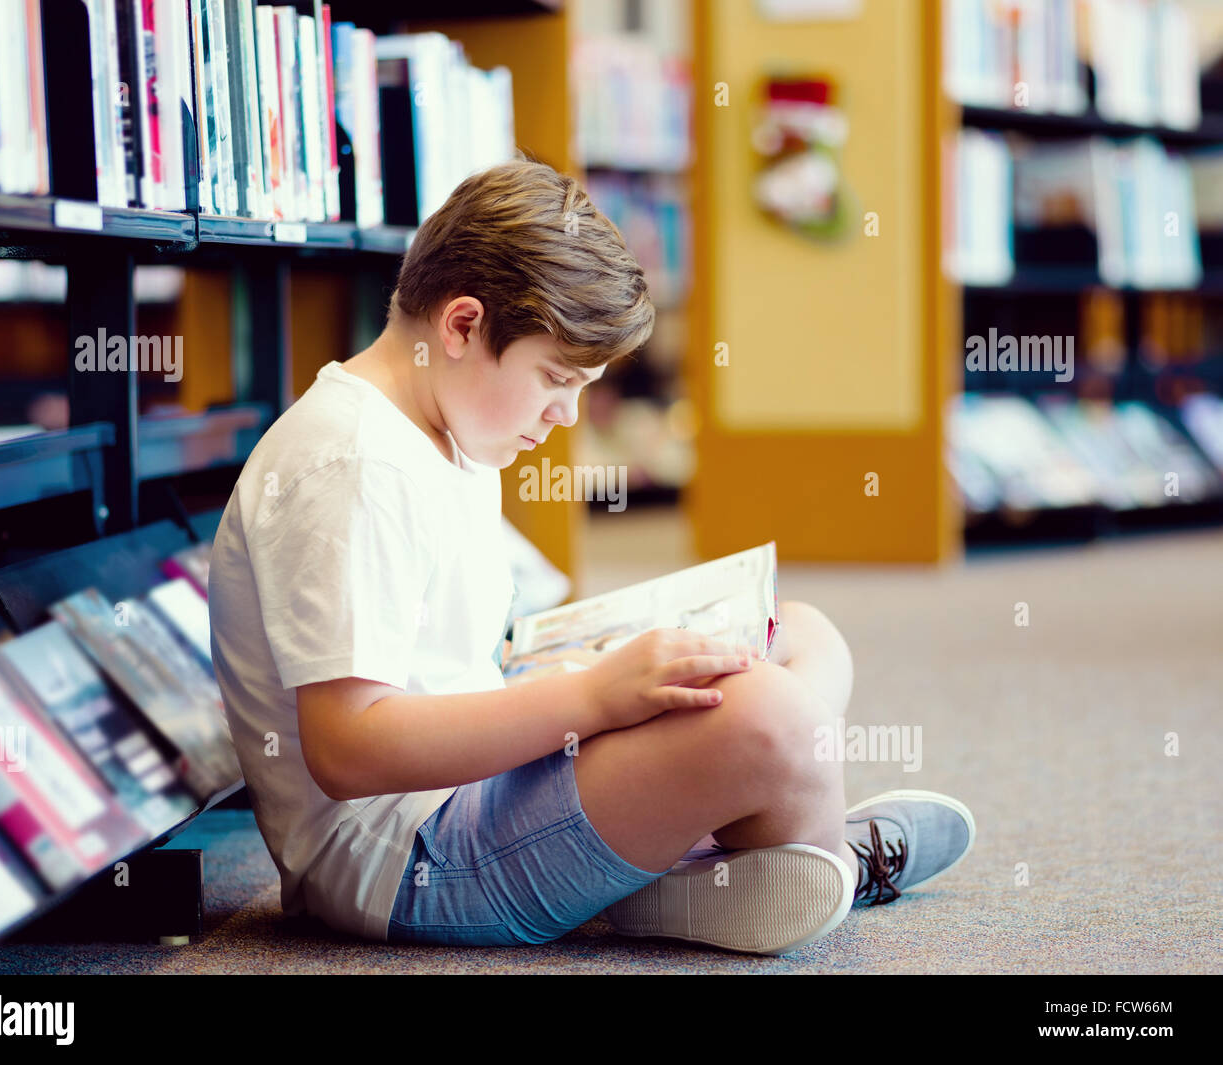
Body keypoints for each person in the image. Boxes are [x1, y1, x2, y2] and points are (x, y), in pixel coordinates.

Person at [207, 157, 975, 957]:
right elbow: (348, 747)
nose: (562, 416)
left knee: (800, 633)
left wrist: (605, 665)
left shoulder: (445, 429)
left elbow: (452, 662)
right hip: (413, 859)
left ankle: (694, 863)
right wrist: (595, 697)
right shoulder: (353, 465)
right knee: (774, 718)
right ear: (463, 326)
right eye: (554, 378)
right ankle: (813, 857)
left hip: (478, 787)